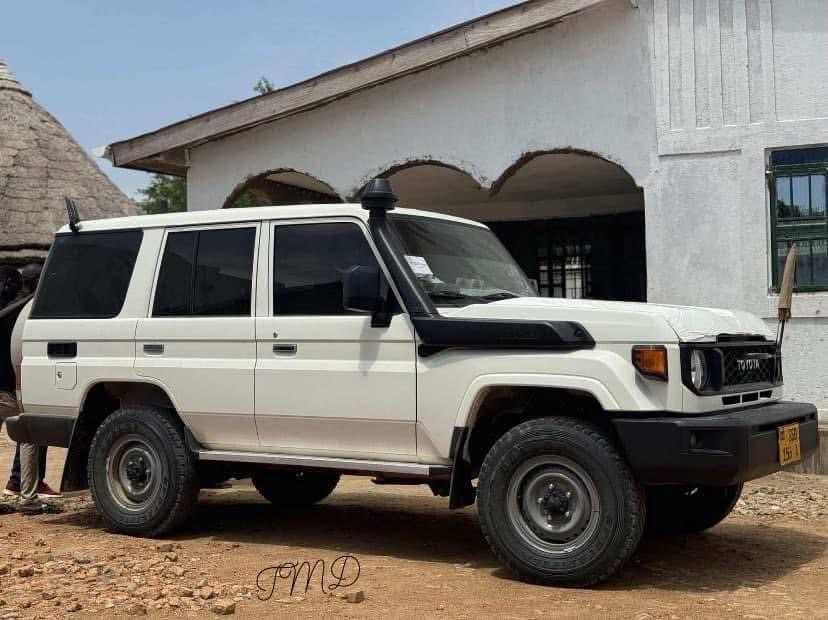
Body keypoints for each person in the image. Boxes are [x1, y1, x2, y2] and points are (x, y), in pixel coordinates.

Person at [1, 263, 59, 499]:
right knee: (32, 432)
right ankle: (27, 494)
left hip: (8, 389)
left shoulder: (12, 309)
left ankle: (19, 484)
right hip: (8, 392)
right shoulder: (23, 314)